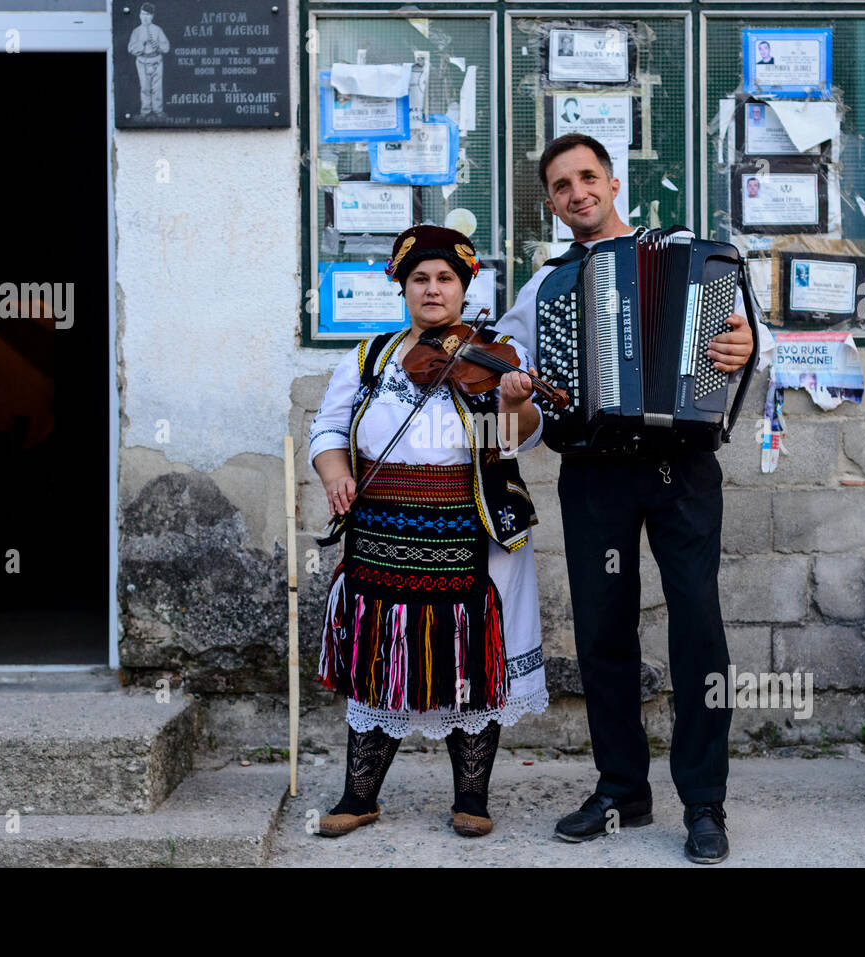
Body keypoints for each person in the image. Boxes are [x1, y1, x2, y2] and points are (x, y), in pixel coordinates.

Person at [494, 133, 773, 863]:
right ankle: (622, 789)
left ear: (614, 184)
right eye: (561, 185)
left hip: (680, 466)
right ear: (551, 203)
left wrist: (745, 347)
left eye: (588, 176)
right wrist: (513, 390)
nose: (577, 191)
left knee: (698, 626)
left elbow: (751, 337)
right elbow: (510, 397)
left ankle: (704, 802)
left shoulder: (688, 252)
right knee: (603, 631)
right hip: (594, 472)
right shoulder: (543, 286)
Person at [308, 224, 549, 839]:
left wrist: (516, 399)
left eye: (446, 278)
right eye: (420, 278)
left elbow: (511, 441)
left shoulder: (493, 359)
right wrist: (336, 476)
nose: (433, 289)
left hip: (470, 535)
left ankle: (471, 797)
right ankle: (358, 796)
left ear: (465, 287)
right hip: (383, 533)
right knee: (379, 658)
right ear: (403, 287)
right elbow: (329, 432)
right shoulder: (368, 359)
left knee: (472, 660)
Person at [127, 2, 170, 119]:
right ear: (140, 15)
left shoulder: (157, 30)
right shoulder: (136, 31)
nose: (145, 17)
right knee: (145, 87)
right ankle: (145, 111)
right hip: (142, 62)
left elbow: (166, 47)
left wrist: (159, 46)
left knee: (157, 88)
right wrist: (142, 43)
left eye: (148, 15)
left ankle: (158, 110)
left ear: (152, 16)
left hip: (156, 60)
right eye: (143, 14)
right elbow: (131, 48)